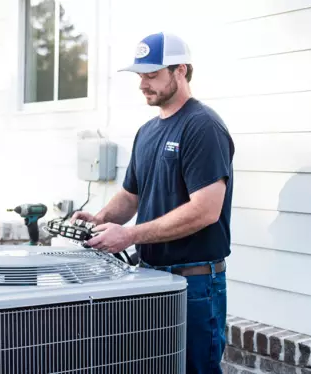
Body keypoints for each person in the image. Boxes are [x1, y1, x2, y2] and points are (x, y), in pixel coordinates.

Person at [72, 32, 235, 374]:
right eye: (140, 76)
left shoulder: (202, 126)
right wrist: (100, 218)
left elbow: (206, 210)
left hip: (194, 285)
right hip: (149, 278)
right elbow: (132, 195)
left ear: (181, 71)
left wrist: (129, 236)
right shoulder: (147, 131)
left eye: (152, 75)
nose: (143, 85)